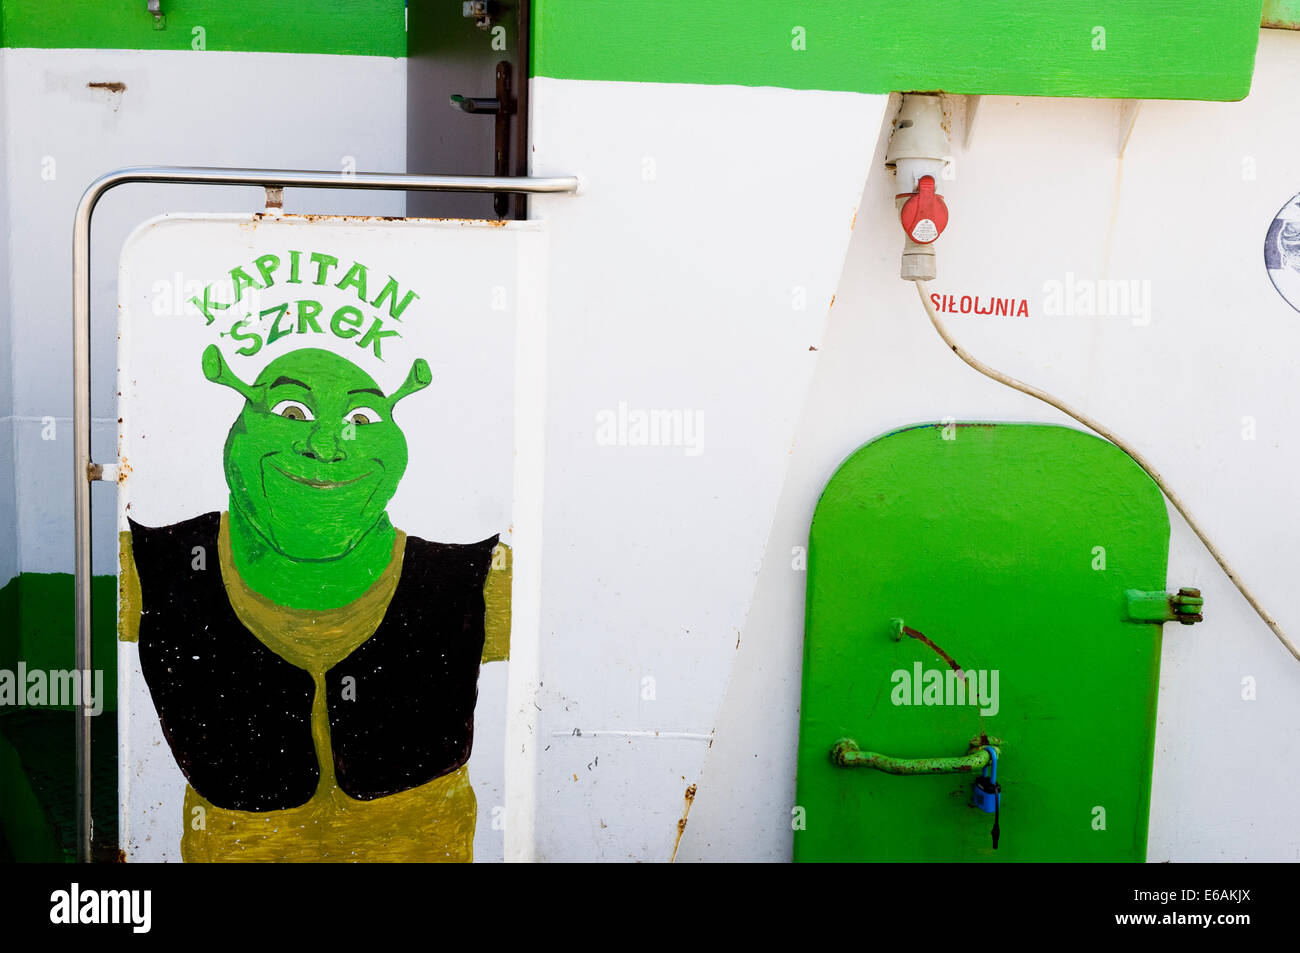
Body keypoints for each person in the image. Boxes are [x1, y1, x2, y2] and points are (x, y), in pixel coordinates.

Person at [118, 345, 510, 862]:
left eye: (361, 418)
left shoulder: (474, 579)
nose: (326, 446)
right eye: (291, 413)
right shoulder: (157, 564)